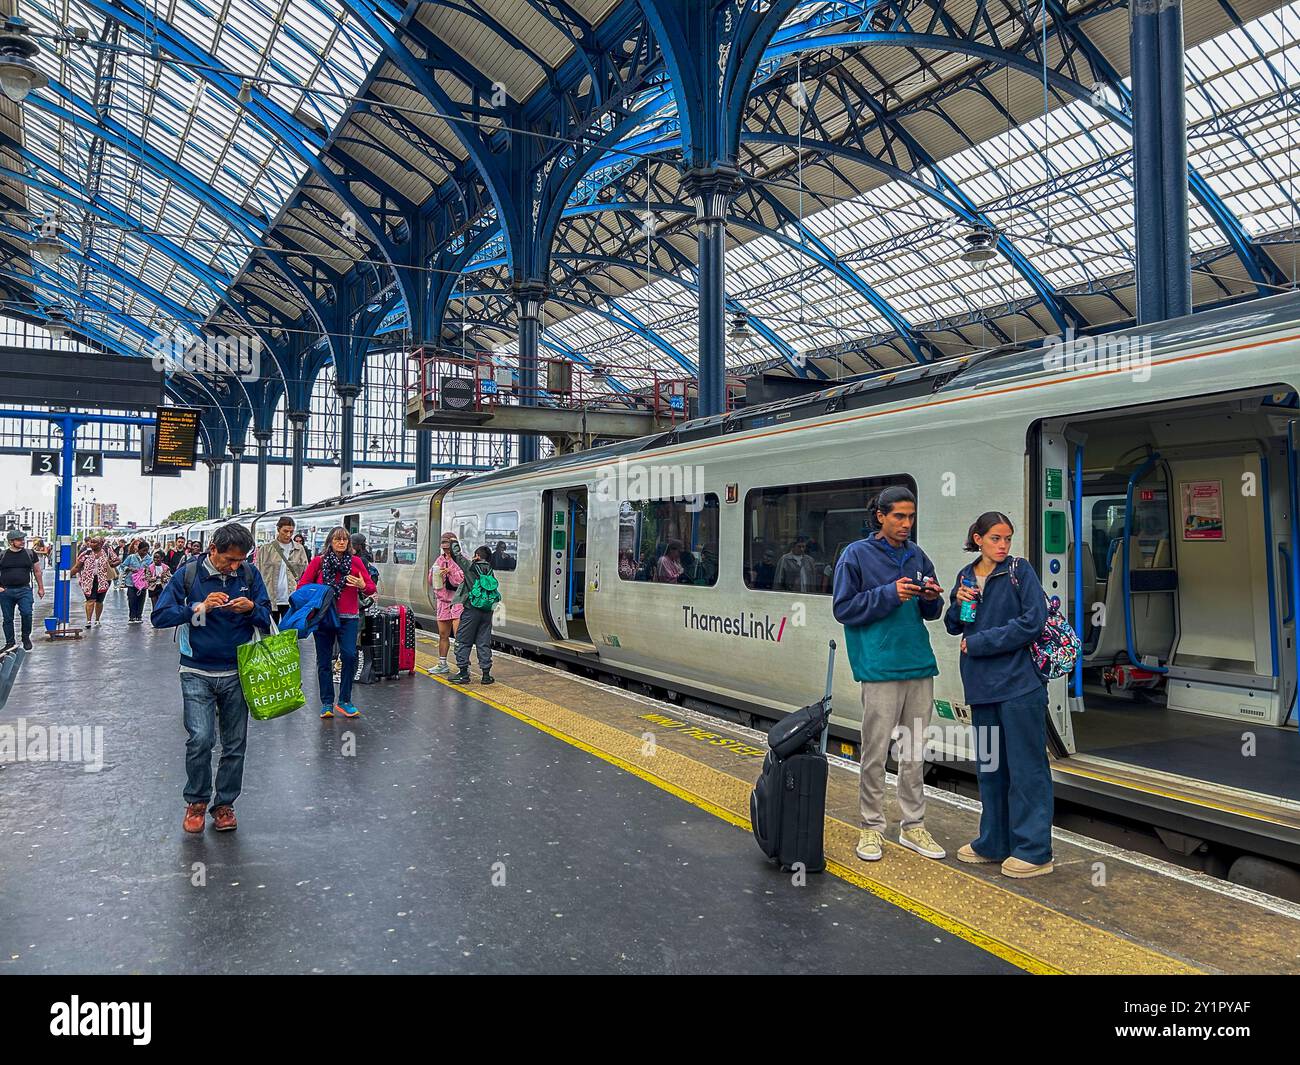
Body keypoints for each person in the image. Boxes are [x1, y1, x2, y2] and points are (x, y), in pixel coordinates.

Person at [832, 485, 946, 864]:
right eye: (899, 516)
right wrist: (888, 594)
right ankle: (871, 828)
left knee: (914, 752)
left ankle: (914, 826)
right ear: (880, 516)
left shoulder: (917, 555)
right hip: (879, 667)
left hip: (918, 663)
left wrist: (932, 599)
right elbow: (843, 608)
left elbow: (933, 613)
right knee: (876, 752)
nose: (906, 524)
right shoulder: (856, 555)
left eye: (911, 517)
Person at [944, 511, 1053, 879]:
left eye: (1007, 538)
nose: (1003, 546)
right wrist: (958, 602)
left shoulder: (1020, 571)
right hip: (981, 689)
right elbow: (952, 624)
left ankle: (1035, 851)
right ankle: (994, 842)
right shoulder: (965, 575)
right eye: (995, 538)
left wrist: (980, 643)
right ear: (978, 539)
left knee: (1027, 769)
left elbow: (1033, 622)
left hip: (1020, 686)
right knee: (990, 769)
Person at [150, 523, 272, 834]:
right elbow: (161, 616)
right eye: (229, 560)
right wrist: (198, 608)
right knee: (201, 739)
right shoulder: (188, 575)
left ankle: (225, 805)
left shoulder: (248, 576)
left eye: (240, 560)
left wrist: (251, 608)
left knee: (235, 743)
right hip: (196, 670)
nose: (234, 566)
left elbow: (269, 616)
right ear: (212, 550)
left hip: (238, 670)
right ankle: (197, 802)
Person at [297, 526, 375, 719]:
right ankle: (326, 703)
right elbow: (302, 586)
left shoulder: (356, 562)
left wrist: (362, 585)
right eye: (337, 539)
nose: (341, 542)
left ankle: (345, 700)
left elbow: (371, 588)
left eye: (345, 540)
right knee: (324, 661)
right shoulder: (319, 562)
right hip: (324, 617)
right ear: (330, 542)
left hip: (349, 616)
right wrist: (322, 590)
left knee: (349, 655)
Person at [447, 543, 497, 685]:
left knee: (463, 640)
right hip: (487, 611)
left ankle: (463, 673)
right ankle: (486, 675)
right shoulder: (490, 570)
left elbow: (457, 555)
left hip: (472, 610)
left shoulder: (471, 567)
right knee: (483, 641)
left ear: (477, 556)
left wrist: (453, 542)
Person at [257, 516, 309, 622]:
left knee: (289, 633)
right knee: (270, 633)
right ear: (278, 529)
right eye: (285, 531)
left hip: (291, 598)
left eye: (291, 532)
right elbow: (257, 573)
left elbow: (305, 574)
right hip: (270, 599)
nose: (288, 535)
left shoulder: (299, 549)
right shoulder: (266, 549)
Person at [1, 529, 44, 652]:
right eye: (19, 540)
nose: (22, 542)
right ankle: (10, 642)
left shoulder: (30, 554)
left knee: (27, 613)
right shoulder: (3, 555)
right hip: (6, 591)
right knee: (8, 618)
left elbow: (37, 571)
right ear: (11, 542)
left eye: (23, 539)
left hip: (24, 589)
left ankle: (26, 637)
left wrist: (41, 587)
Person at [428, 532, 465, 675]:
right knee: (443, 634)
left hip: (458, 602)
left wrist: (450, 572)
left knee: (459, 636)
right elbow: (431, 582)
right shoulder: (439, 560)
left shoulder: (462, 560)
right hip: (443, 602)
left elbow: (462, 580)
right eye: (444, 548)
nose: (446, 551)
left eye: (448, 548)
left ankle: (463, 667)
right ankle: (442, 663)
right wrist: (436, 574)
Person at [71, 536, 118, 628]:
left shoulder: (107, 552)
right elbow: (77, 566)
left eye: (94, 542)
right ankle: (88, 620)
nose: (91, 544)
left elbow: (117, 560)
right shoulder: (86, 553)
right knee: (90, 600)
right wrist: (68, 575)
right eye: (91, 542)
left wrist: (113, 564)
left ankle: (97, 619)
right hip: (88, 580)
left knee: (99, 601)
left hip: (103, 580)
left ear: (100, 544)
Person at [120, 538, 151, 624]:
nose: (145, 553)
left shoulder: (149, 559)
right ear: (139, 549)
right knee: (132, 599)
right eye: (143, 550)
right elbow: (122, 566)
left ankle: (139, 616)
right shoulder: (131, 557)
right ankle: (132, 616)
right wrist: (129, 569)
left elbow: (151, 569)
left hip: (143, 583)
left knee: (141, 600)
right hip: (131, 582)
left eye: (146, 551)